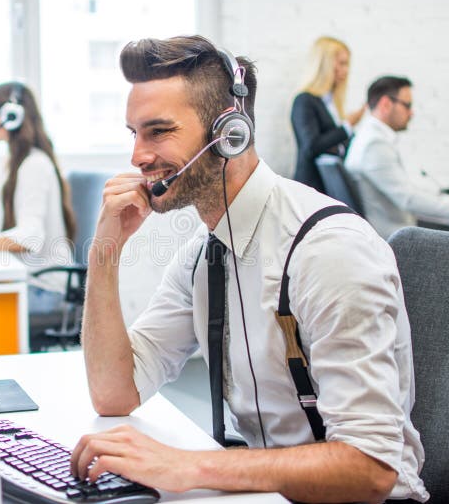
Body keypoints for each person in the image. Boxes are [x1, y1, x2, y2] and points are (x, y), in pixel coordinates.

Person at [70, 35, 428, 503]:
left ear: (229, 134)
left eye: (158, 131)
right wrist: (104, 253)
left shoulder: (328, 251)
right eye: (133, 133)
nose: (137, 155)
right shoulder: (204, 255)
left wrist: (188, 466)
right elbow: (115, 394)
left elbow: (371, 468)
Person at [345, 76, 449, 239]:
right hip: (396, 240)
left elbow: (405, 190)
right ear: (386, 104)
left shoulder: (364, 138)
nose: (411, 113)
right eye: (407, 105)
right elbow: (408, 199)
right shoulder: (374, 145)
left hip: (392, 236)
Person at [0, 82, 76, 314]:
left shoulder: (34, 166)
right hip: (31, 283)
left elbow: (30, 238)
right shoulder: (16, 165)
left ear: (10, 117)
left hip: (46, 290)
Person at [291, 36, 365, 194]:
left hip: (331, 186)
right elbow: (311, 146)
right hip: (310, 187)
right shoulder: (304, 101)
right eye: (342, 63)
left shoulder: (332, 102)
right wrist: (347, 127)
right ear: (325, 64)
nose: (346, 70)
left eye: (347, 64)